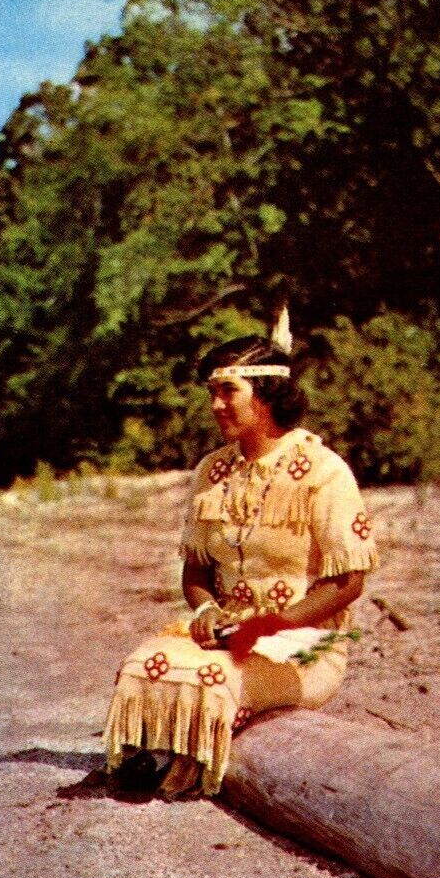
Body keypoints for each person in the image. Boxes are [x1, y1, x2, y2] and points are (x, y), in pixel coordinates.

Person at [103, 310, 378, 799]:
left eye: (227, 391)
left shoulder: (324, 469)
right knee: (142, 663)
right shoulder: (212, 471)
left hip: (306, 643)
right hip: (228, 635)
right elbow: (196, 570)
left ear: (267, 393)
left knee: (208, 678)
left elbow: (348, 583)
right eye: (212, 393)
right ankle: (161, 755)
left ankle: (184, 765)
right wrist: (208, 609)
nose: (215, 405)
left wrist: (267, 625)